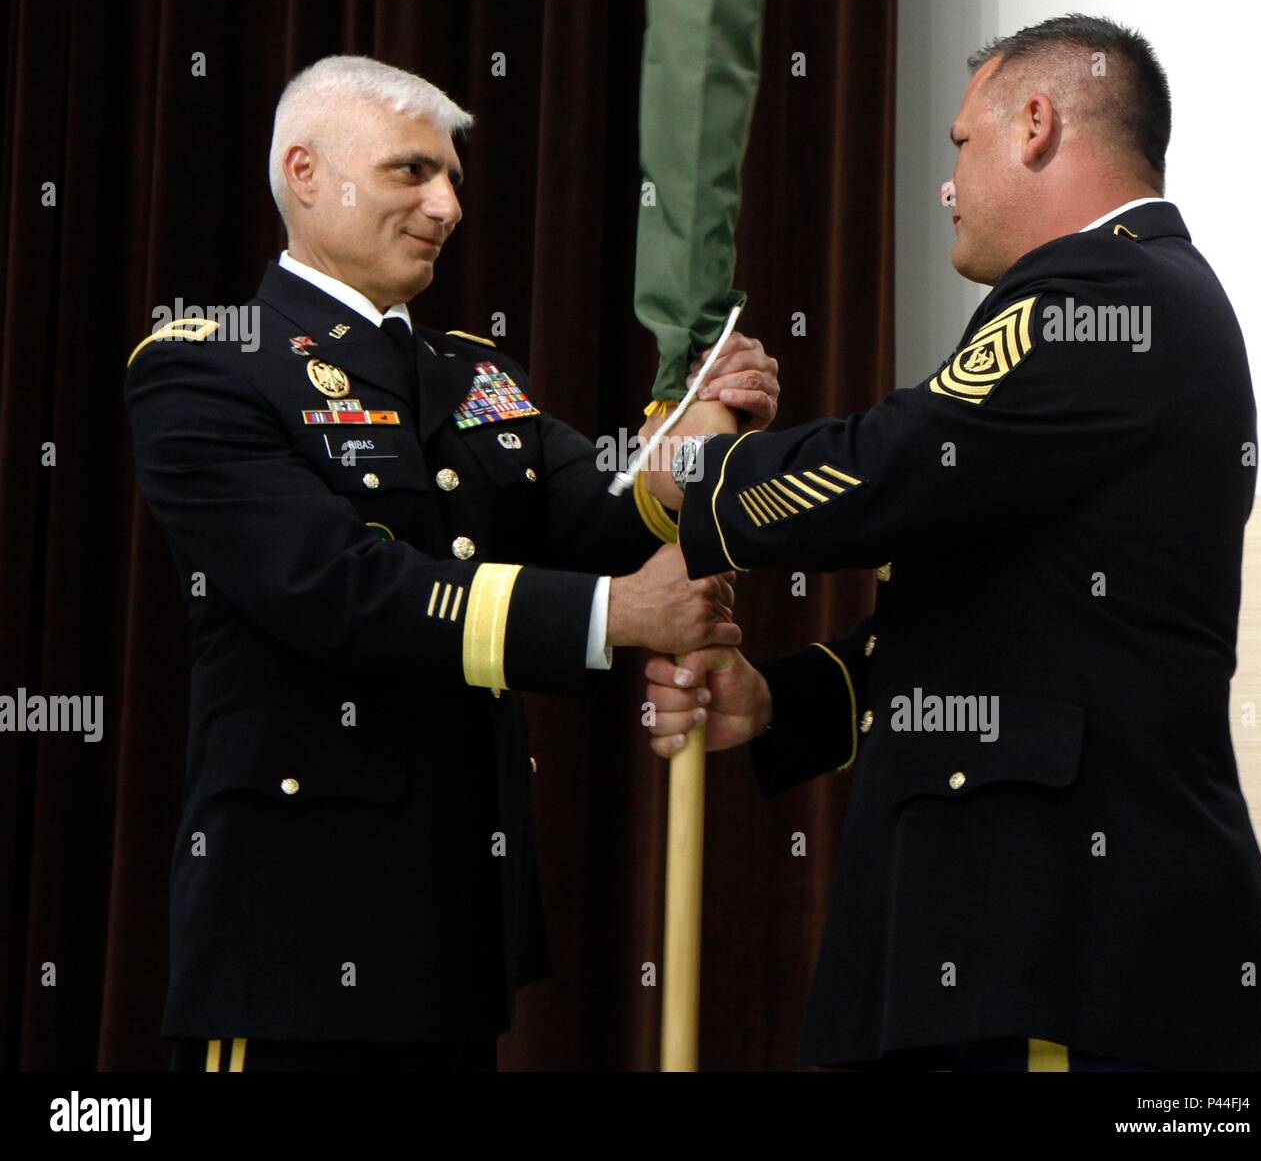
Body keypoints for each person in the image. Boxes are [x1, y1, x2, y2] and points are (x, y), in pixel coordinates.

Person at [640, 15, 1261, 1072]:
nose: (946, 183)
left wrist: (700, 471)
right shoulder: (1146, 298)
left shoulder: (1106, 295)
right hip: (1044, 953)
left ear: (1034, 123)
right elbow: (993, 618)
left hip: (1054, 953)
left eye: (958, 144)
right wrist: (781, 700)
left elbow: (899, 462)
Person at [124, 55, 779, 1072]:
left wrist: (691, 441)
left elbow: (598, 510)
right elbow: (333, 588)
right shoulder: (204, 362)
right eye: (410, 172)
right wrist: (614, 616)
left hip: (457, 909)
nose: (447, 204)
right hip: (300, 917)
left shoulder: (475, 373)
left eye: (452, 179)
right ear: (305, 172)